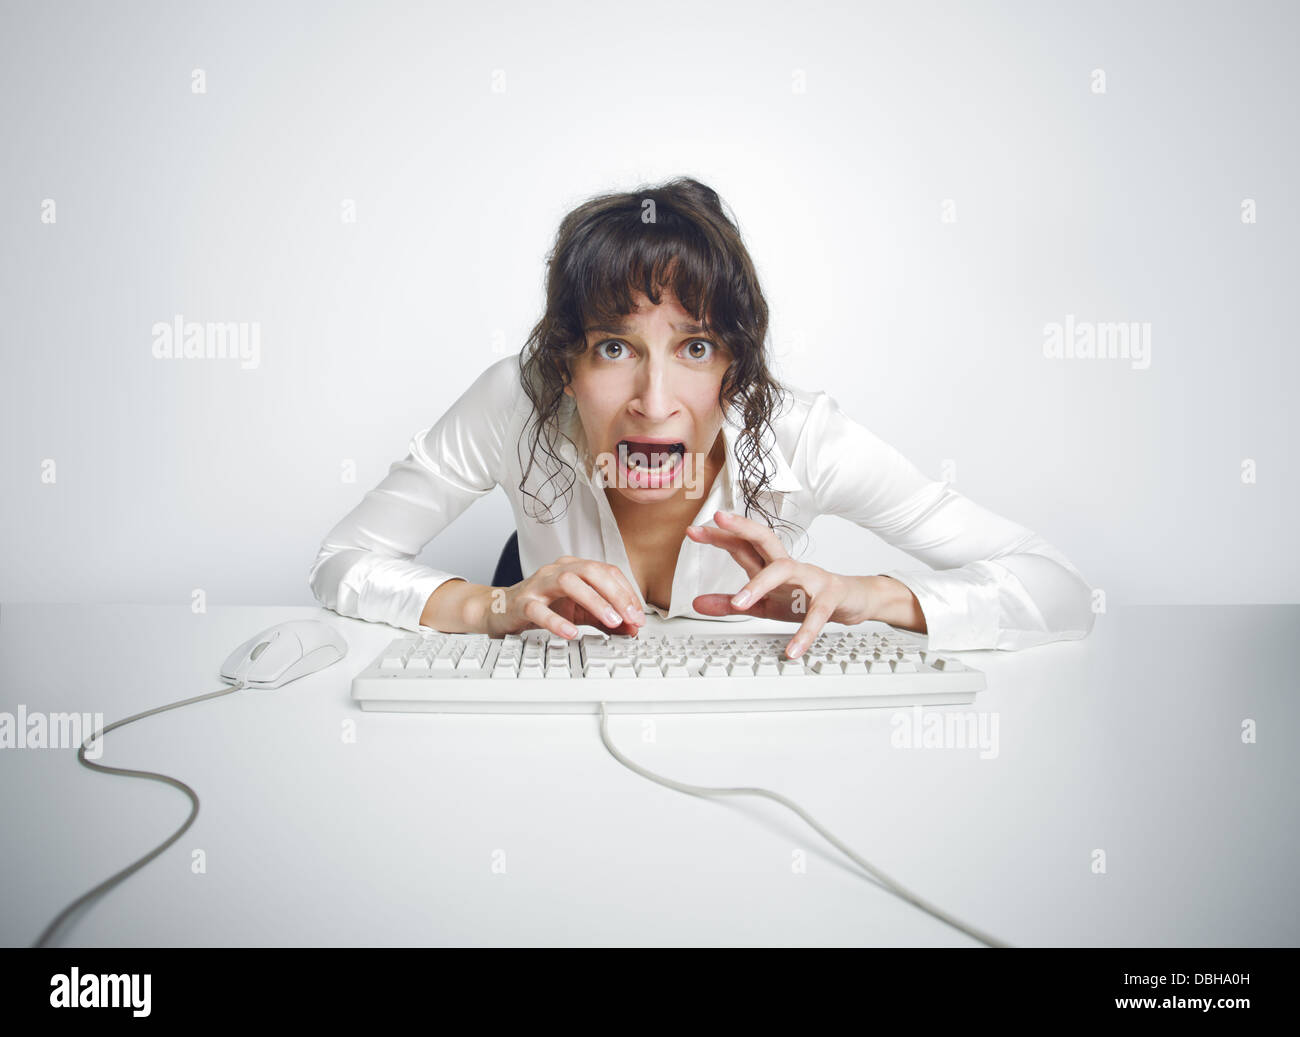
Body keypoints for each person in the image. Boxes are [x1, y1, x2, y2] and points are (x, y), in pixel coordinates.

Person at [309, 177, 1095, 659]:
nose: (655, 401)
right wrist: (493, 605)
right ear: (565, 366)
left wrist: (868, 597)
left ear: (736, 366)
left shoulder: (799, 434)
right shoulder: (514, 402)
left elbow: (1059, 588)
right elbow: (342, 559)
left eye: (695, 346)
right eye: (615, 347)